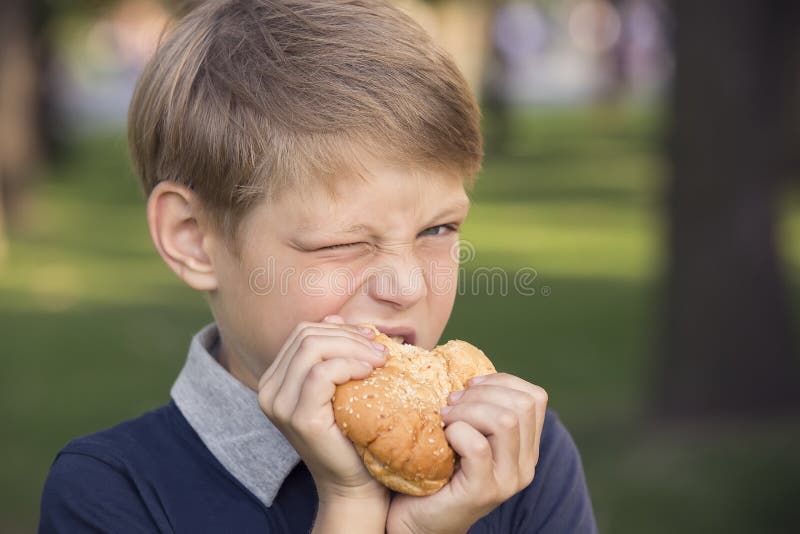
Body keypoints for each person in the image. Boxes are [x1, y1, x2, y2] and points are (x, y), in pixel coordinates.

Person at [39, 1, 597, 532]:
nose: (406, 286)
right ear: (193, 240)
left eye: (437, 230)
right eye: (341, 244)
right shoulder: (113, 491)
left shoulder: (515, 456)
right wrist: (351, 505)